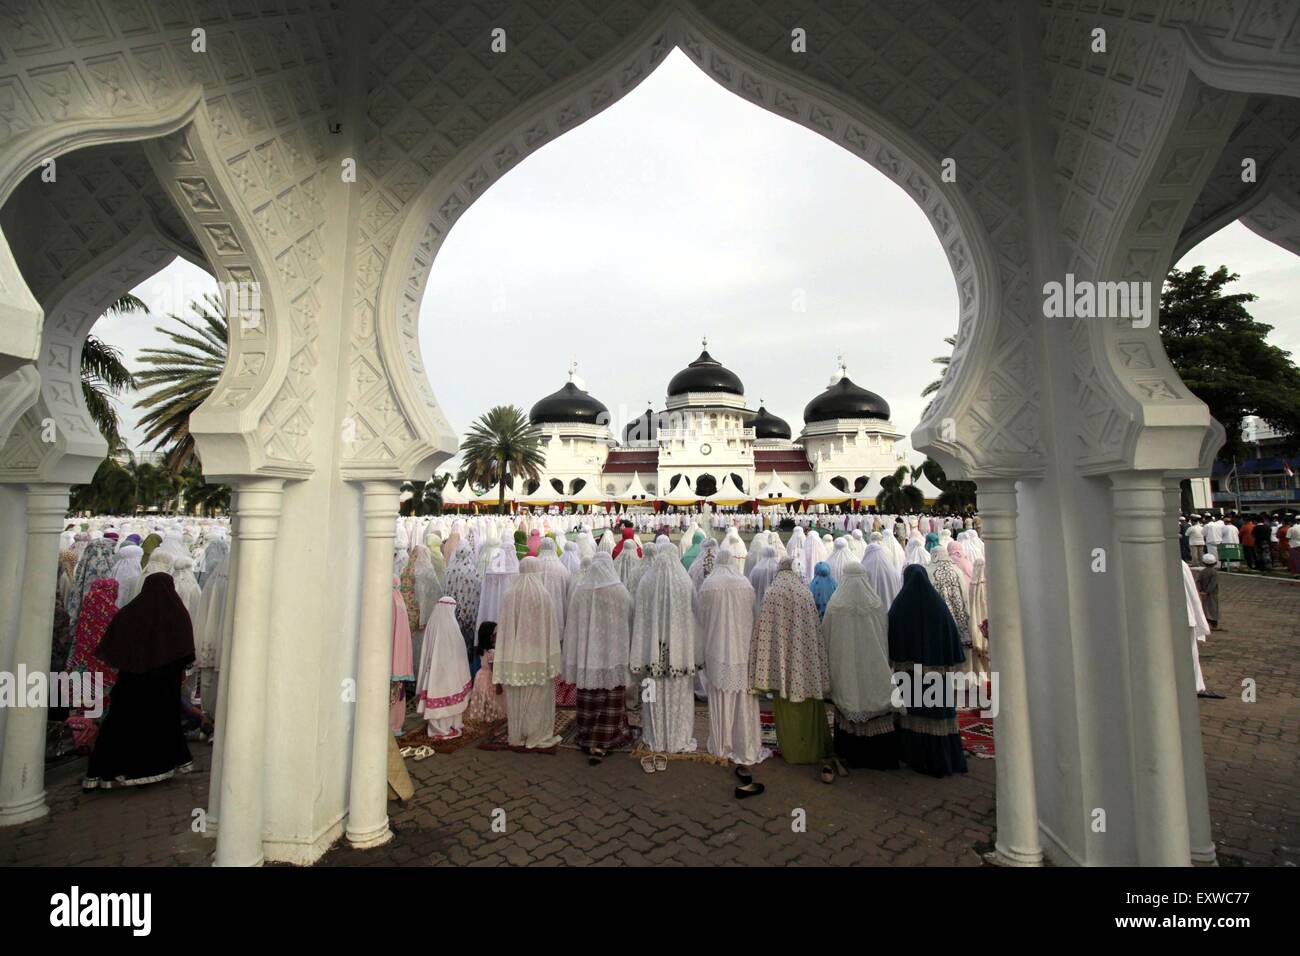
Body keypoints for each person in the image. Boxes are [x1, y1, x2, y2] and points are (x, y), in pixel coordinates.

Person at [82, 573, 196, 790]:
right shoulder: (176, 613)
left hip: (131, 683)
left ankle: (109, 771)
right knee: (160, 723)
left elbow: (114, 644)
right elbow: (184, 649)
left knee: (121, 722)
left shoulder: (130, 613)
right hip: (164, 685)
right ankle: (153, 767)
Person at [751, 558, 833, 771]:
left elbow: (765, 629)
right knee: (807, 700)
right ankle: (811, 749)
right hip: (804, 660)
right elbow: (814, 628)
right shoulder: (804, 592)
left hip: (782, 660)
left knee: (785, 700)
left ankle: (792, 750)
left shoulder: (772, 593)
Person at [888, 566, 968, 777]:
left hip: (908, 675)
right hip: (936, 675)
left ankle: (912, 754)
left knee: (911, 710)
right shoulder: (938, 606)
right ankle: (939, 757)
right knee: (935, 711)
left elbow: (890, 636)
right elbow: (951, 635)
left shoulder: (900, 606)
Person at [822, 563, 898, 769]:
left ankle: (851, 754)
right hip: (873, 664)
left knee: (850, 696)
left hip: (845, 664)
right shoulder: (876, 604)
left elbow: (826, 636)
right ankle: (878, 756)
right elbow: (885, 634)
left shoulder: (835, 605)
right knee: (873, 695)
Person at [699, 547, 769, 768]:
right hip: (741, 649)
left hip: (717, 649)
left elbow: (702, 618)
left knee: (720, 696)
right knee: (742, 700)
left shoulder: (709, 585)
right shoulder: (745, 584)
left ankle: (721, 744)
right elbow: (754, 616)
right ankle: (745, 744)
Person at [630, 537, 700, 754]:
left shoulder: (646, 582)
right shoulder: (684, 581)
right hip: (679, 652)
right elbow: (695, 613)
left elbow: (639, 617)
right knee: (679, 697)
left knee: (650, 695)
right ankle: (678, 737)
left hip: (652, 652)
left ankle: (653, 735)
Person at [563, 552, 635, 760]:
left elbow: (572, 625)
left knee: (589, 696)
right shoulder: (619, 592)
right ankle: (607, 736)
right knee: (611, 695)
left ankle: (588, 735)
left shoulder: (580, 591)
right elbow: (630, 616)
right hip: (613, 654)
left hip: (589, 656)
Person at [494, 557, 563, 748]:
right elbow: (551, 628)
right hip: (538, 654)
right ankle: (536, 734)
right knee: (538, 697)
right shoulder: (543, 595)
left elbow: (505, 629)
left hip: (515, 654)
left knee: (516, 695)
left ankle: (518, 735)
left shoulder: (509, 595)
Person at [414, 596, 473, 740]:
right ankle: (449, 726)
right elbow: (459, 650)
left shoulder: (432, 623)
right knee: (449, 698)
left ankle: (439, 727)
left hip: (433, 670)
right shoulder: (452, 626)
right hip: (449, 671)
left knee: (436, 697)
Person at [1195, 553, 1220, 629]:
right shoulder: (1215, 572)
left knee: (1204, 607)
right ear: (1215, 563)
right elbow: (1213, 583)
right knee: (1213, 608)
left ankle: (1206, 622)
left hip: (1203, 593)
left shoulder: (1202, 572)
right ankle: (1214, 624)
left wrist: (1201, 591)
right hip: (1212, 593)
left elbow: (1198, 581)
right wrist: (1207, 591)